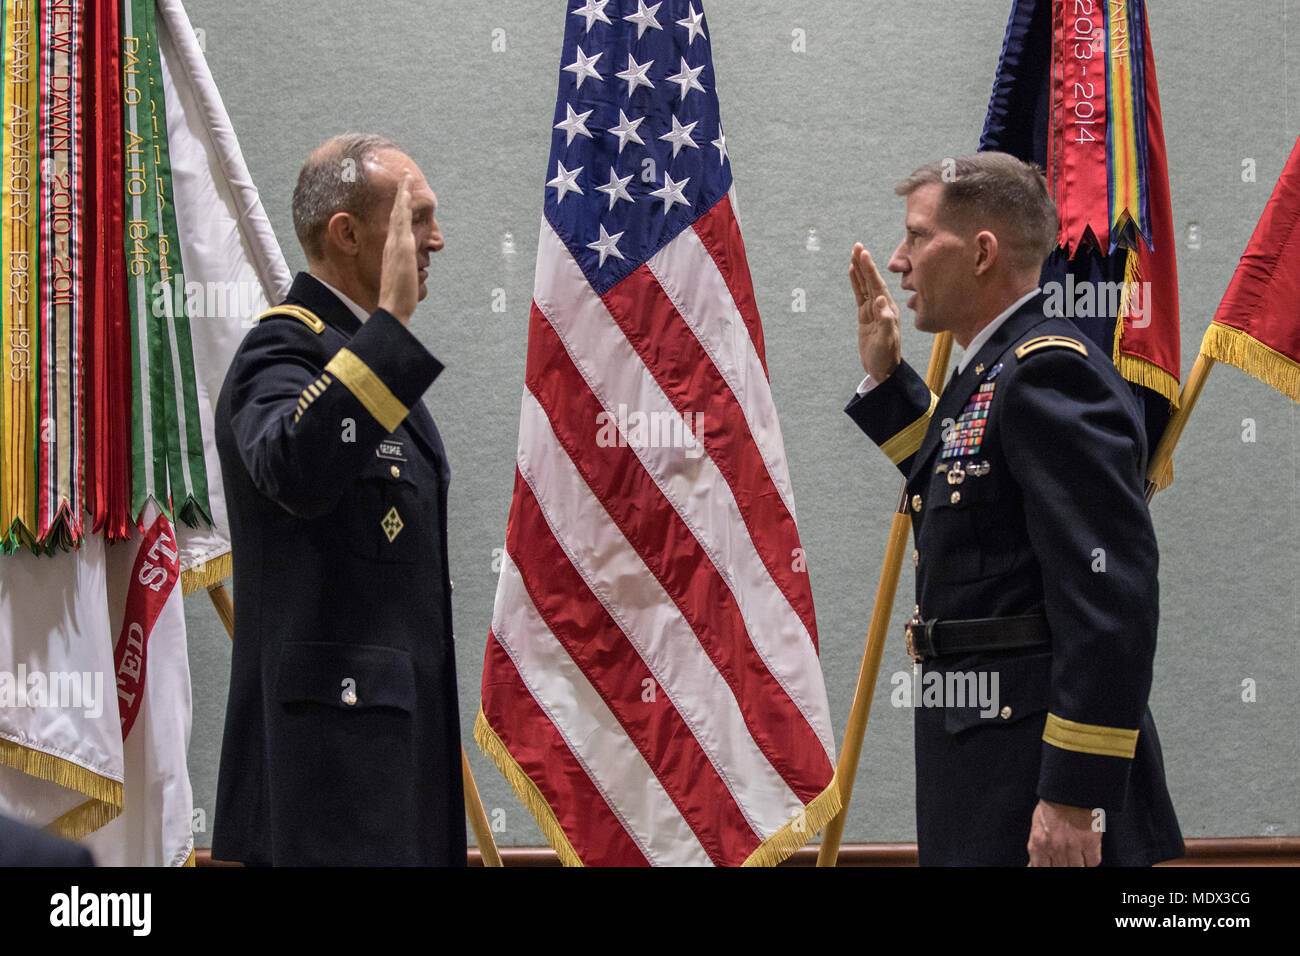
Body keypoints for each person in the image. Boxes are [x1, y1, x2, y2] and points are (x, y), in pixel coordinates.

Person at [845, 152, 1183, 866]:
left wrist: (1075, 794)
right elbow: (971, 493)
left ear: (982, 252)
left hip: (1034, 774)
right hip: (984, 752)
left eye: (916, 236)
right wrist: (888, 379)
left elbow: (1111, 598)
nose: (900, 261)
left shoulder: (1047, 372)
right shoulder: (1001, 371)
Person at [211, 134, 465, 866]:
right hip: (320, 790)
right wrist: (388, 327)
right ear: (348, 234)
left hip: (394, 775)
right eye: (416, 218)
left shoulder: (358, 362)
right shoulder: (281, 353)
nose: (436, 240)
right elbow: (295, 467)